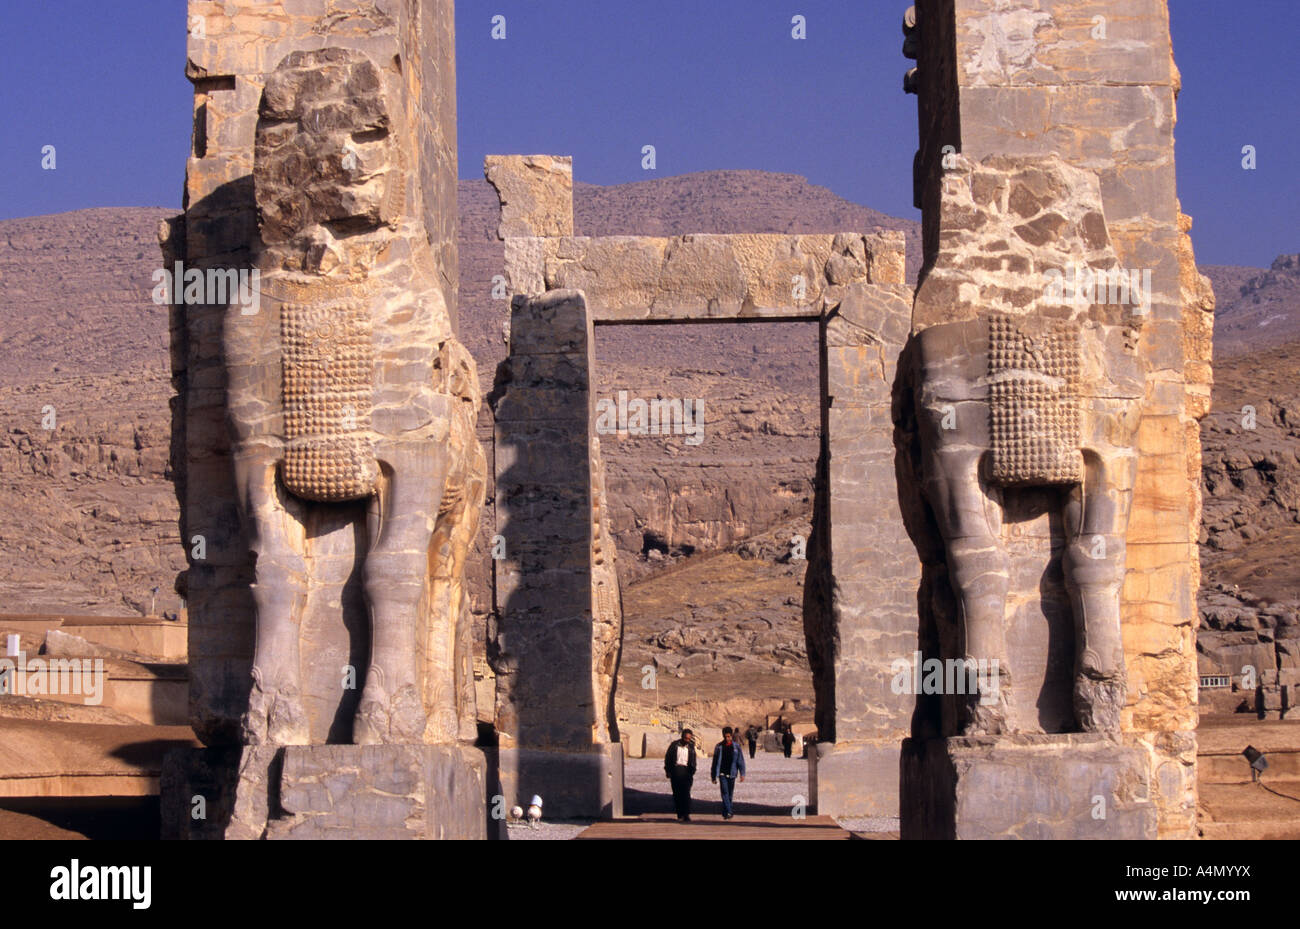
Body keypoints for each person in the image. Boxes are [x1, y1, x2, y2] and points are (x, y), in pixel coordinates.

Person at [710, 726, 747, 819]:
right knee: (725, 792)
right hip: (722, 773)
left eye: (729, 736)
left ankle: (725, 812)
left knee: (730, 793)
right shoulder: (719, 747)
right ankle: (730, 811)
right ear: (723, 736)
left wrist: (742, 773)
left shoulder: (736, 747)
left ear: (731, 736)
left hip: (732, 773)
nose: (727, 738)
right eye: (726, 737)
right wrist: (713, 775)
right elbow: (714, 762)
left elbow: (740, 760)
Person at [663, 728, 697, 822]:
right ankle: (680, 814)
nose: (687, 740)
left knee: (686, 794)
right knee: (677, 794)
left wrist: (692, 770)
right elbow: (668, 758)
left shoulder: (691, 746)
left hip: (687, 772)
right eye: (686, 738)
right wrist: (668, 771)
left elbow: (693, 759)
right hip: (676, 771)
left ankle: (686, 814)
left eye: (689, 739)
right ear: (682, 737)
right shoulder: (674, 745)